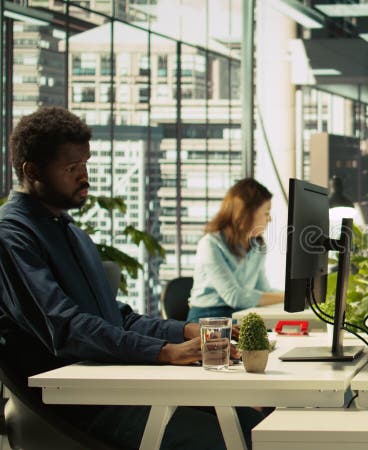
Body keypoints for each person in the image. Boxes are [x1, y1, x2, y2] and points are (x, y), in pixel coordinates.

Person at [0, 106, 265, 449]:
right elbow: (65, 327)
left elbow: (115, 317)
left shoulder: (69, 232)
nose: (85, 177)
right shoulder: (12, 236)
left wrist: (184, 331)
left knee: (252, 423)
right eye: (71, 168)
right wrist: (164, 352)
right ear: (32, 171)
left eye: (86, 164)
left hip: (116, 384)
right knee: (225, 440)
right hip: (80, 405)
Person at [187, 177, 283, 322]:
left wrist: (298, 295)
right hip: (207, 319)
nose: (269, 219)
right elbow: (234, 296)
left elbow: (263, 290)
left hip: (241, 314)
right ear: (246, 212)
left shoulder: (258, 246)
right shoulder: (210, 244)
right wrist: (289, 297)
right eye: (266, 212)